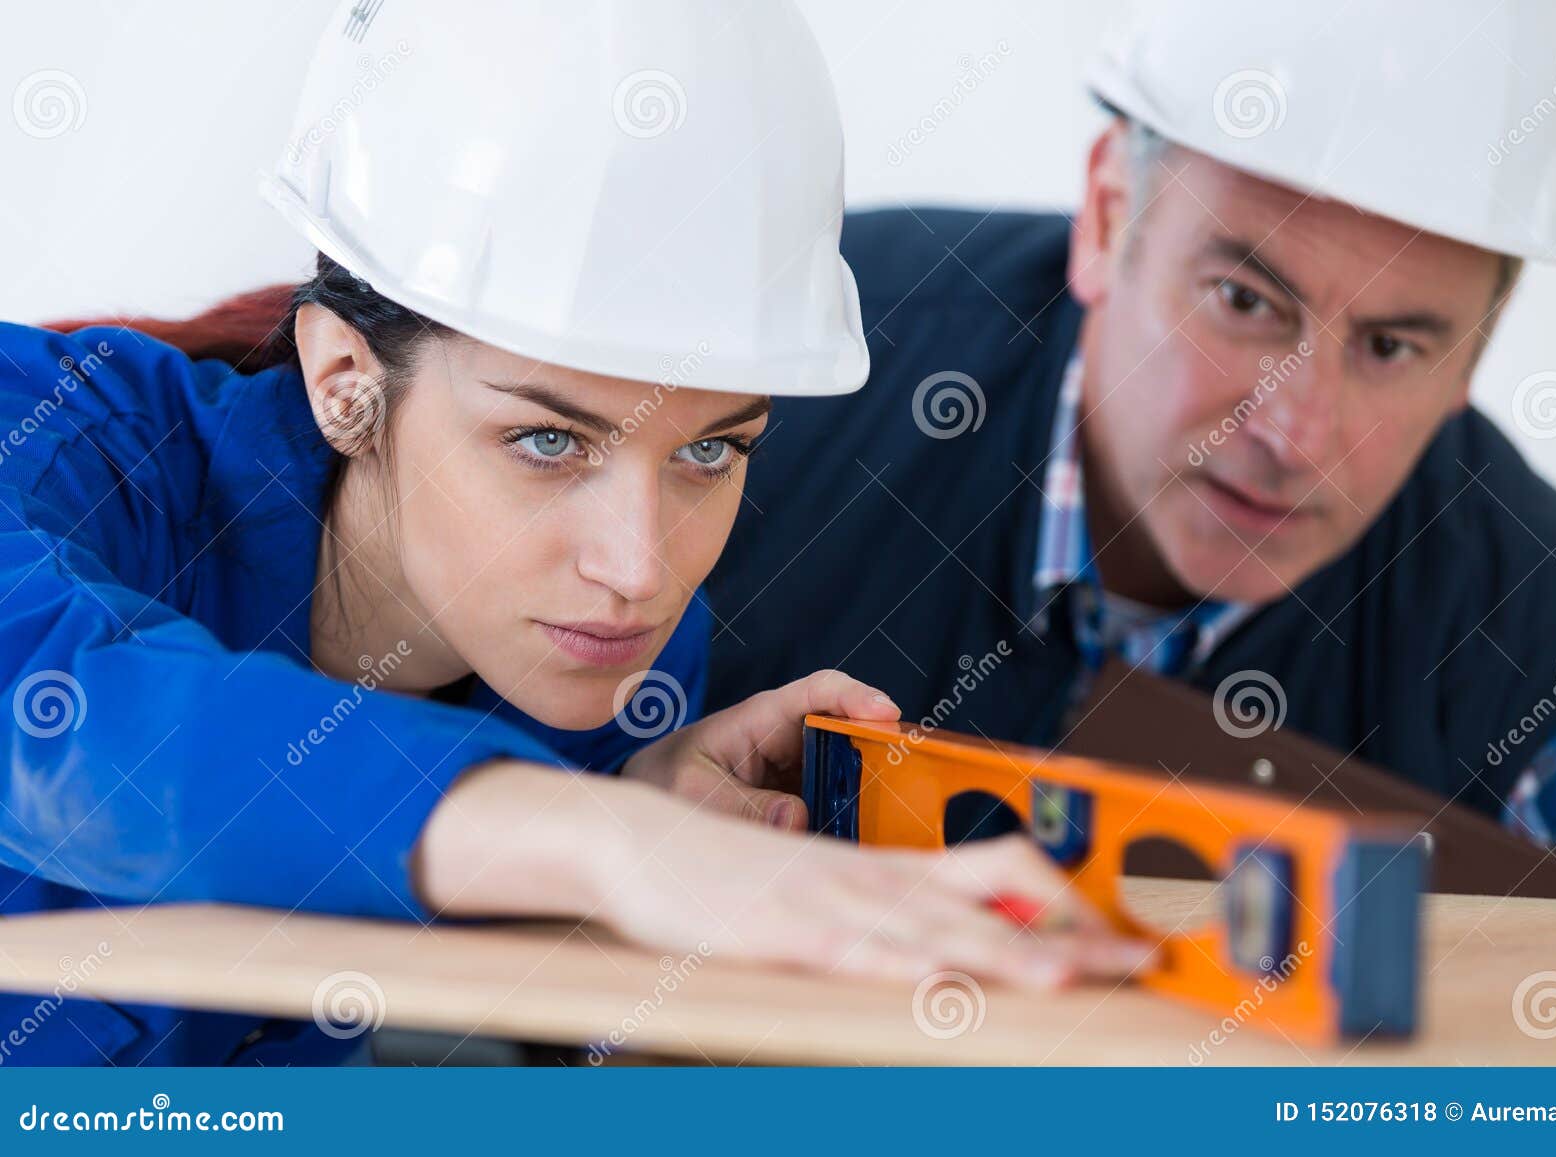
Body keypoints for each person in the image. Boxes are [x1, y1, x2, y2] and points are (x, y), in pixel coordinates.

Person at [0, 1, 1149, 1067]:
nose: (639, 569)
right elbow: (64, 717)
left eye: (711, 450)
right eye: (548, 441)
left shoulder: (600, 677)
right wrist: (604, 841)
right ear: (345, 377)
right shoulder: (54, 435)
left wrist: (620, 816)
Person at [706, 0, 1556, 869]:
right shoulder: (762, 376)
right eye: (1244, 300)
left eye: (1391, 347)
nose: (1295, 433)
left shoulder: (1554, 656)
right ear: (1106, 217)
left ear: (1477, 350)